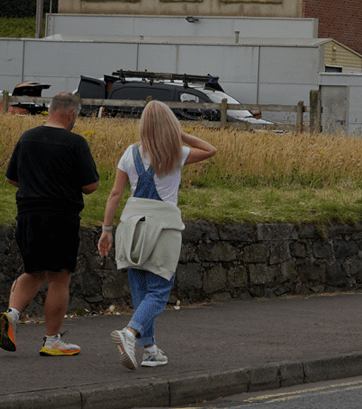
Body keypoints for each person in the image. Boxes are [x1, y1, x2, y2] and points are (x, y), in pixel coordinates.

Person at [96, 100, 217, 371]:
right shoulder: (176, 152)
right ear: (169, 125)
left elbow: (115, 194)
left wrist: (106, 230)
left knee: (141, 292)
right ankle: (131, 334)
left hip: (131, 225)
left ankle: (150, 351)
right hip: (163, 227)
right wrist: (179, 133)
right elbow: (210, 149)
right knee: (160, 291)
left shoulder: (129, 153)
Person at [2, 92, 99, 357]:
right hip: (61, 216)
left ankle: (10, 315)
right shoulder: (75, 142)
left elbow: (12, 178)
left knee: (34, 270)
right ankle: (53, 340)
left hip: (27, 214)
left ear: (50, 110)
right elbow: (90, 185)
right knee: (59, 275)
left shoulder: (27, 138)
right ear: (71, 114)